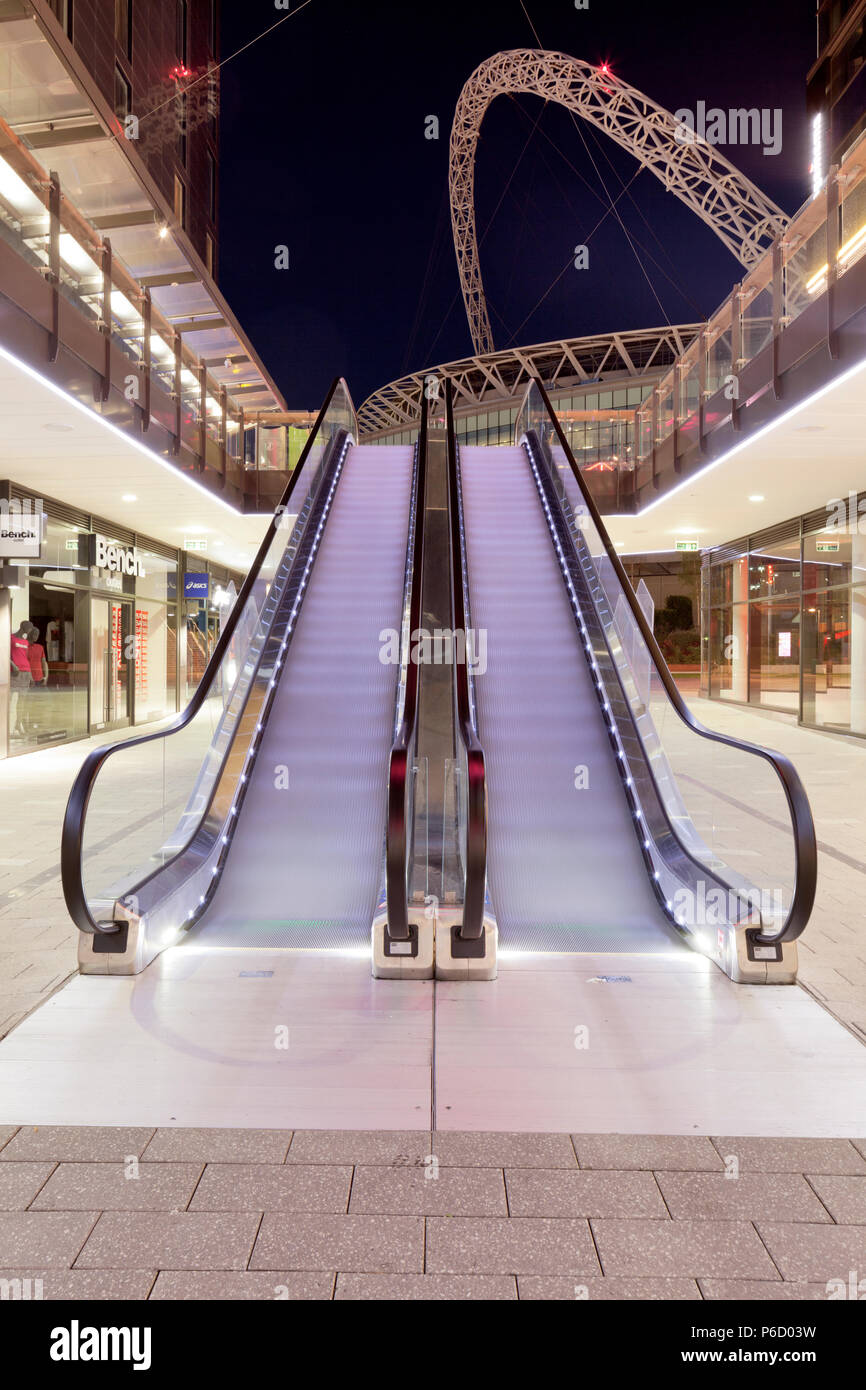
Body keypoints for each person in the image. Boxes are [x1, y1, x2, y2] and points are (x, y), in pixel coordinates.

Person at [9, 622, 32, 737]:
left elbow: (25, 658)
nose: (30, 629)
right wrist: (13, 665)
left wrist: (31, 674)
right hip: (15, 673)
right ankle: (8, 726)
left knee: (21, 702)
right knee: (10, 701)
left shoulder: (26, 642)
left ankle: (18, 724)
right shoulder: (11, 638)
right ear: (22, 626)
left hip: (26, 672)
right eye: (29, 626)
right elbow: (4, 654)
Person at [24, 623, 48, 732]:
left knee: (39, 704)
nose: (36, 636)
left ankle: (37, 723)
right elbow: (23, 663)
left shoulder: (40, 647)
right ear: (29, 634)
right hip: (28, 680)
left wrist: (46, 676)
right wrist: (29, 678)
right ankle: (26, 725)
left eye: (37, 634)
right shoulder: (24, 646)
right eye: (34, 634)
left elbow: (44, 663)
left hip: (39, 679)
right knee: (27, 704)